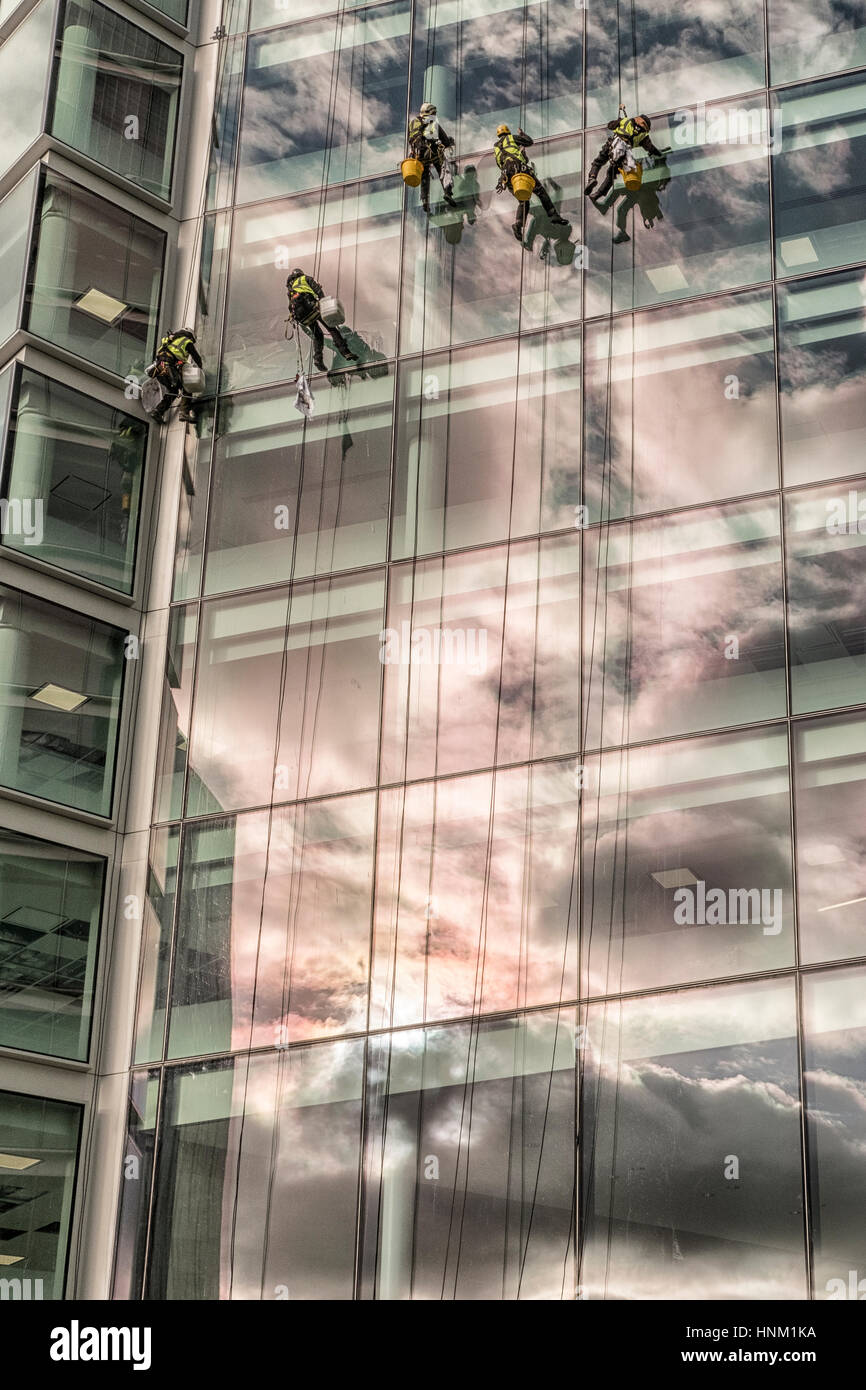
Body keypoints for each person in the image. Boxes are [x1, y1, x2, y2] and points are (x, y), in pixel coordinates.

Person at [493, 125, 569, 242]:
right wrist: (522, 134)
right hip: (518, 167)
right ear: (507, 132)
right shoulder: (511, 138)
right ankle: (554, 216)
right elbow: (529, 142)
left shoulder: (496, 148)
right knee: (540, 191)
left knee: (523, 201)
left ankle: (518, 224)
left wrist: (521, 153)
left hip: (506, 175)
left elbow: (502, 162)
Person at [584, 107, 664, 201]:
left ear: (638, 119)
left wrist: (618, 121)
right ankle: (598, 194)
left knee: (598, 162)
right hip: (623, 155)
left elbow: (610, 125)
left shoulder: (625, 121)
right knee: (611, 175)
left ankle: (592, 178)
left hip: (612, 146)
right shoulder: (643, 135)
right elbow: (650, 148)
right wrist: (660, 154)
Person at [286, 269, 358, 372]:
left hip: (303, 316)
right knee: (331, 328)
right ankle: (345, 352)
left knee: (318, 335)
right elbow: (318, 291)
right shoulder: (305, 278)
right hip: (312, 308)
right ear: (300, 273)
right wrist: (324, 303)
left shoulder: (291, 289)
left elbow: (291, 306)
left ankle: (318, 359)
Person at [407, 102, 457, 214]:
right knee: (444, 169)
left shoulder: (413, 123)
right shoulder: (432, 123)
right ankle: (448, 192)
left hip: (419, 156)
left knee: (424, 178)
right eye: (433, 113)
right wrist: (449, 142)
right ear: (428, 112)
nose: (434, 115)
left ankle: (425, 201)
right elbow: (445, 140)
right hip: (432, 151)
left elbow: (412, 138)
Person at [148, 329, 203, 422]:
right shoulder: (186, 341)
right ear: (190, 336)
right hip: (171, 369)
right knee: (188, 386)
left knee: (173, 391)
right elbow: (196, 357)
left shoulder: (168, 339)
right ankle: (184, 413)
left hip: (159, 371)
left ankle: (157, 411)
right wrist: (200, 368)